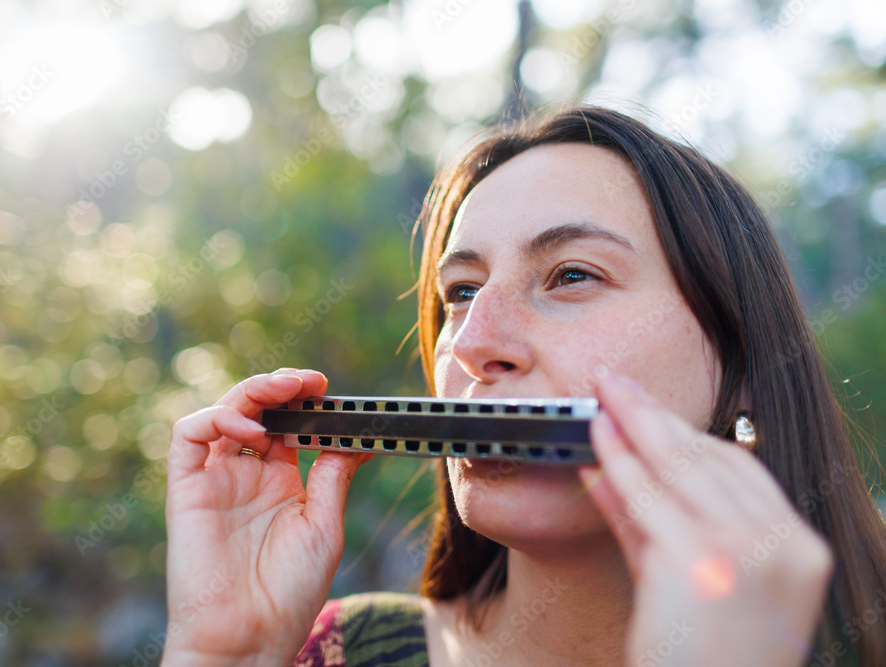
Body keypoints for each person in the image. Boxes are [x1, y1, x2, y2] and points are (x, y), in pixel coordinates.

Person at [160, 105, 886, 666]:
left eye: (572, 274)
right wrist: (225, 653)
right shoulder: (338, 651)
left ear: (739, 356)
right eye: (463, 290)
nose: (474, 343)